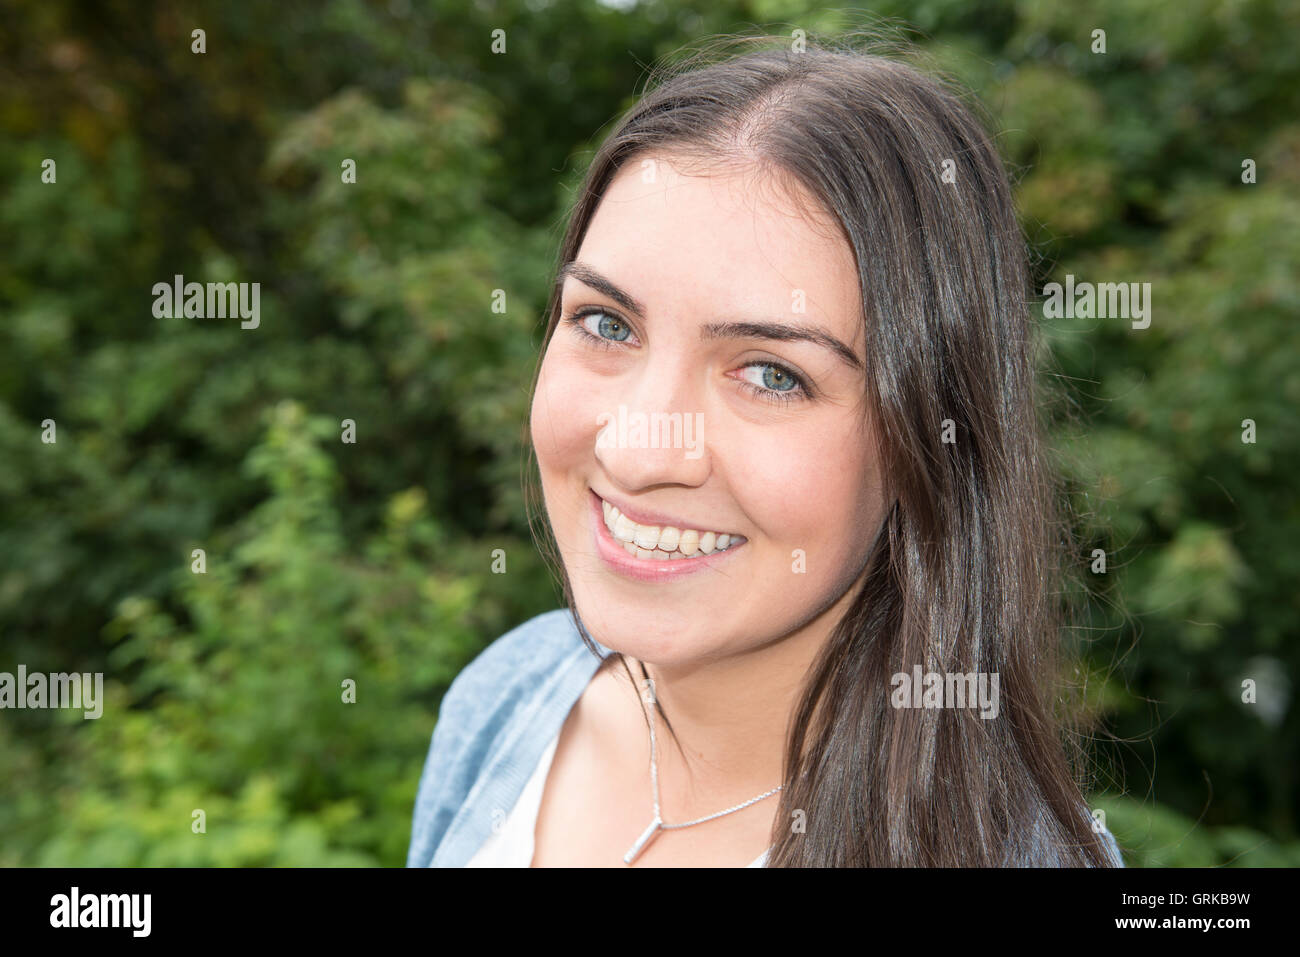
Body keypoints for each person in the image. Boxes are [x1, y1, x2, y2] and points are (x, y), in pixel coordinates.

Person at [408, 30, 1124, 868]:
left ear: (927, 437)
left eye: (771, 374)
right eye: (606, 323)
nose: (642, 452)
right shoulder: (509, 697)